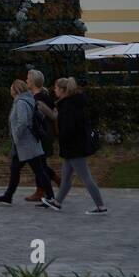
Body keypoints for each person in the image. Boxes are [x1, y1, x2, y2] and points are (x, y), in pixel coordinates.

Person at [0, 79, 56, 207]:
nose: (10, 90)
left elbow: (23, 122)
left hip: (25, 143)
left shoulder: (21, 103)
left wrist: (16, 136)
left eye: (11, 88)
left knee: (39, 170)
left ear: (16, 90)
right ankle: (8, 195)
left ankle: (51, 197)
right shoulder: (27, 100)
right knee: (17, 169)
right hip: (25, 144)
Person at [51, 77, 108, 214]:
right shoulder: (73, 103)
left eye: (56, 88)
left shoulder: (68, 106)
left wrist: (62, 140)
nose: (54, 90)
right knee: (66, 177)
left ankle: (101, 206)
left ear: (63, 90)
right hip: (74, 146)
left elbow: (68, 128)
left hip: (74, 147)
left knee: (85, 177)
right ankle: (57, 202)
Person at [24, 69, 61, 201]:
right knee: (40, 162)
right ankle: (44, 188)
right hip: (47, 134)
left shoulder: (37, 99)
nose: (26, 80)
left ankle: (44, 189)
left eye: (28, 78)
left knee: (39, 162)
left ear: (33, 81)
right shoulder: (45, 96)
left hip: (41, 135)